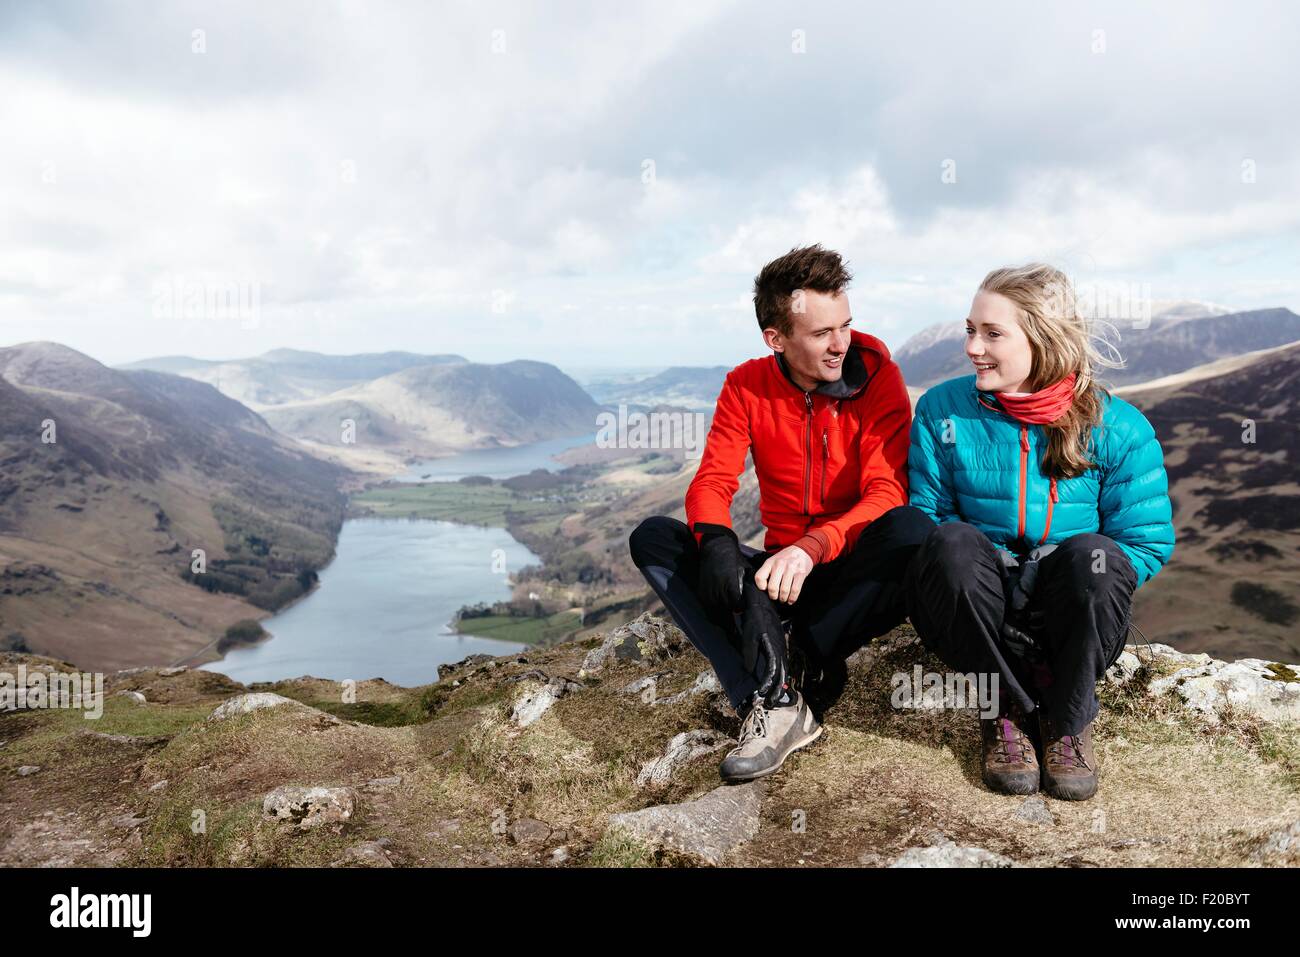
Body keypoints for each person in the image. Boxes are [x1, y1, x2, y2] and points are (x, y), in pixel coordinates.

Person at [628, 244, 933, 783]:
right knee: (655, 538)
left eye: (845, 325)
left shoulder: (878, 377)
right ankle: (775, 699)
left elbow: (886, 492)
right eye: (821, 334)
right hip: (778, 573)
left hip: (847, 570)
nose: (841, 344)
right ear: (776, 339)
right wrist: (719, 543)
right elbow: (714, 480)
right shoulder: (745, 384)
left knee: (910, 531)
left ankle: (785, 670)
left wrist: (812, 547)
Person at [904, 263, 1175, 800]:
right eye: (970, 329)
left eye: (992, 334)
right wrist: (1005, 578)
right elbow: (927, 518)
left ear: (1042, 341)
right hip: (978, 608)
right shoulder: (942, 410)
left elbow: (1143, 543)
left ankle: (1067, 722)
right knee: (950, 544)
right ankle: (1003, 713)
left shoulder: (1117, 426)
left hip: (1069, 613)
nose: (972, 347)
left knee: (1094, 556)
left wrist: (1043, 575)